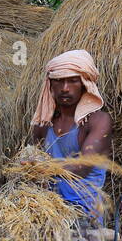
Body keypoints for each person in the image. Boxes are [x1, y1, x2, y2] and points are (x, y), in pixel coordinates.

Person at [29, 49, 111, 223]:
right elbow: (33, 158)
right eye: (58, 81)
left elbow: (82, 167)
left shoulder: (98, 121)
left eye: (73, 81)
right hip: (48, 212)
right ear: (50, 85)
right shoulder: (43, 122)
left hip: (84, 215)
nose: (65, 88)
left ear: (85, 84)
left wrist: (40, 167)